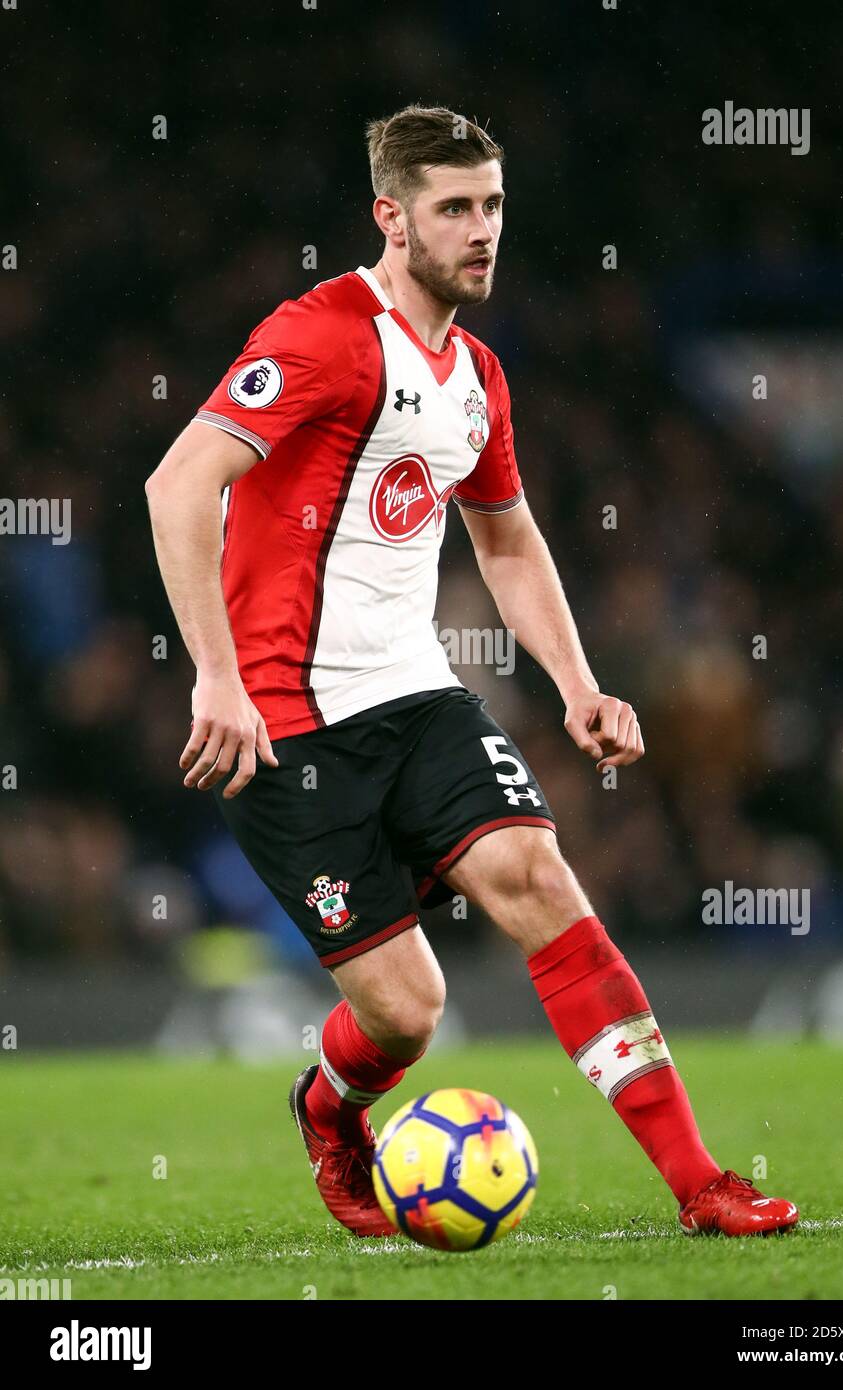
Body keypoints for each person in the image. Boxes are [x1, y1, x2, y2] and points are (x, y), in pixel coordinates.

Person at [145, 104, 798, 1238]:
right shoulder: (321, 333)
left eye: (491, 204)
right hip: (286, 724)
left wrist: (576, 682)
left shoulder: (477, 377)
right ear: (391, 218)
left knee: (541, 881)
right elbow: (176, 485)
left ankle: (701, 1184)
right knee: (406, 1012)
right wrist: (214, 678)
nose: (482, 229)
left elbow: (505, 538)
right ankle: (328, 1101)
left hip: (418, 695)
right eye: (454, 207)